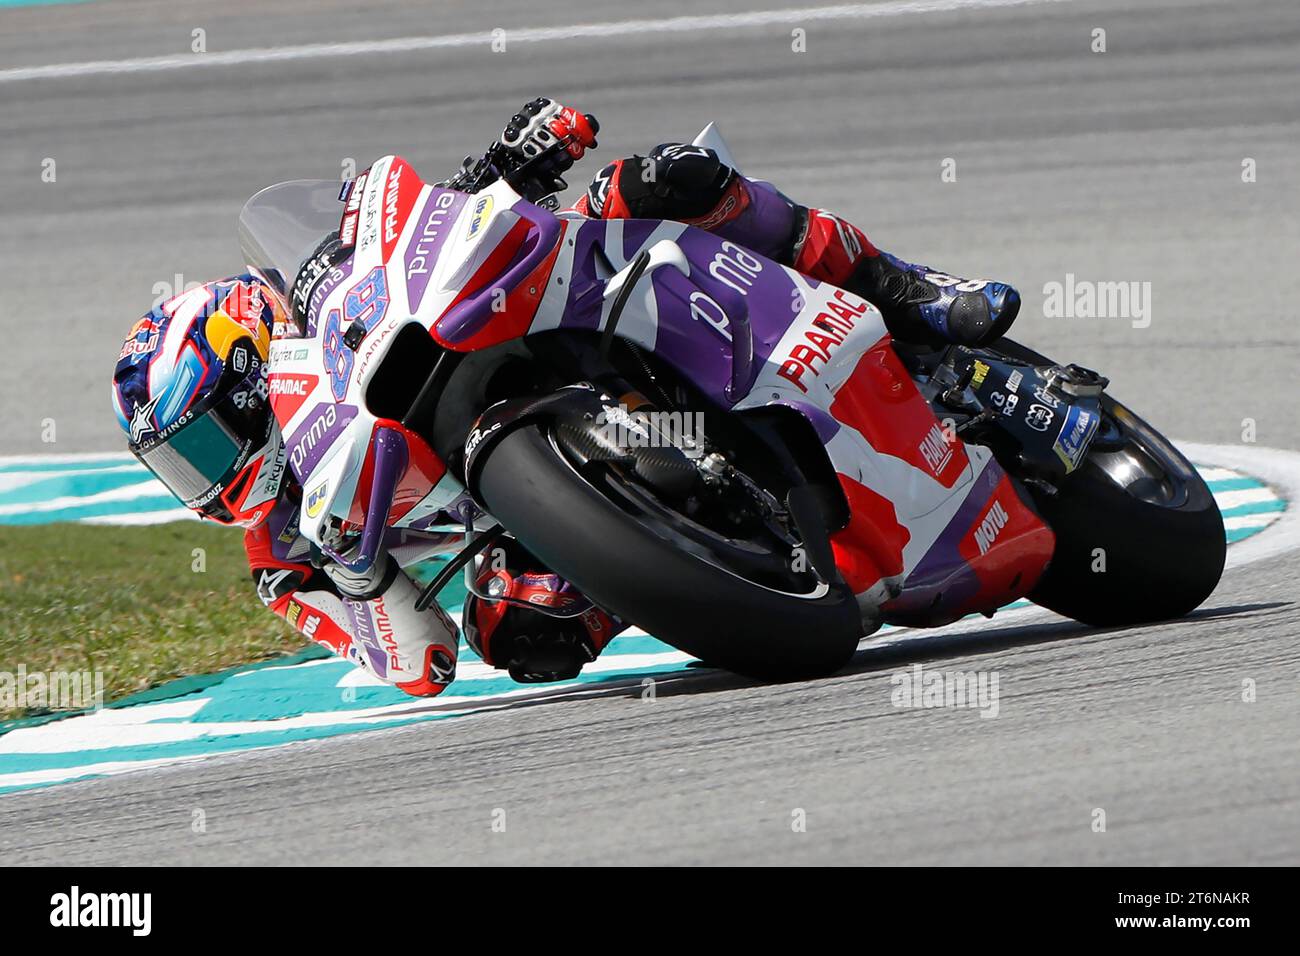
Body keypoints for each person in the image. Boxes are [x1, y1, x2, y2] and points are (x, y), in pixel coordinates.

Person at [111, 98, 1020, 699]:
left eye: (203, 440)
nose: (207, 475)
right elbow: (418, 663)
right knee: (521, 631)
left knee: (655, 182)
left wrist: (513, 157)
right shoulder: (284, 555)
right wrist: (352, 571)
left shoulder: (329, 278)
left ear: (247, 360)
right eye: (175, 464)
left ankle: (901, 286)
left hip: (522, 324)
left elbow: (420, 225)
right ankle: (718, 556)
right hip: (536, 532)